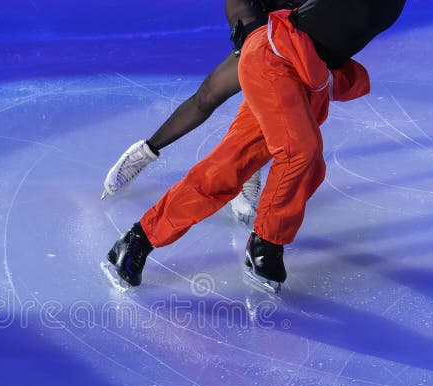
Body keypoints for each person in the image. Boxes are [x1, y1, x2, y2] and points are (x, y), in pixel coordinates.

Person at [104, 0, 406, 291]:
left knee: (227, 168)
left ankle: (136, 241)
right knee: (301, 151)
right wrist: (253, 34)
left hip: (309, 78)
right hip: (274, 55)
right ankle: (267, 245)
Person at [102, 0, 286, 224]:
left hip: (300, 25)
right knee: (208, 96)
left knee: (272, 93)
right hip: (256, 18)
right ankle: (142, 154)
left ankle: (249, 167)